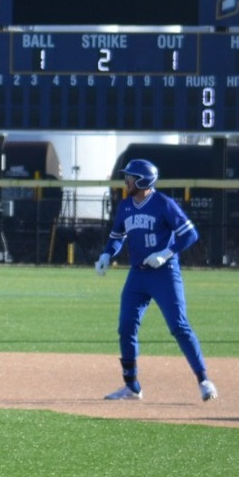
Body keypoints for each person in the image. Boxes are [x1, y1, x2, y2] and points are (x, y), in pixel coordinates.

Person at [95, 158, 215, 403]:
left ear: (142, 180)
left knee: (178, 326)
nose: (126, 180)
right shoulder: (126, 206)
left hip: (164, 273)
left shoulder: (163, 204)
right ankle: (132, 387)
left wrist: (165, 253)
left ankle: (203, 380)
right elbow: (117, 235)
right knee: (126, 327)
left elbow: (190, 234)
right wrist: (108, 253)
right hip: (138, 275)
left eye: (130, 177)